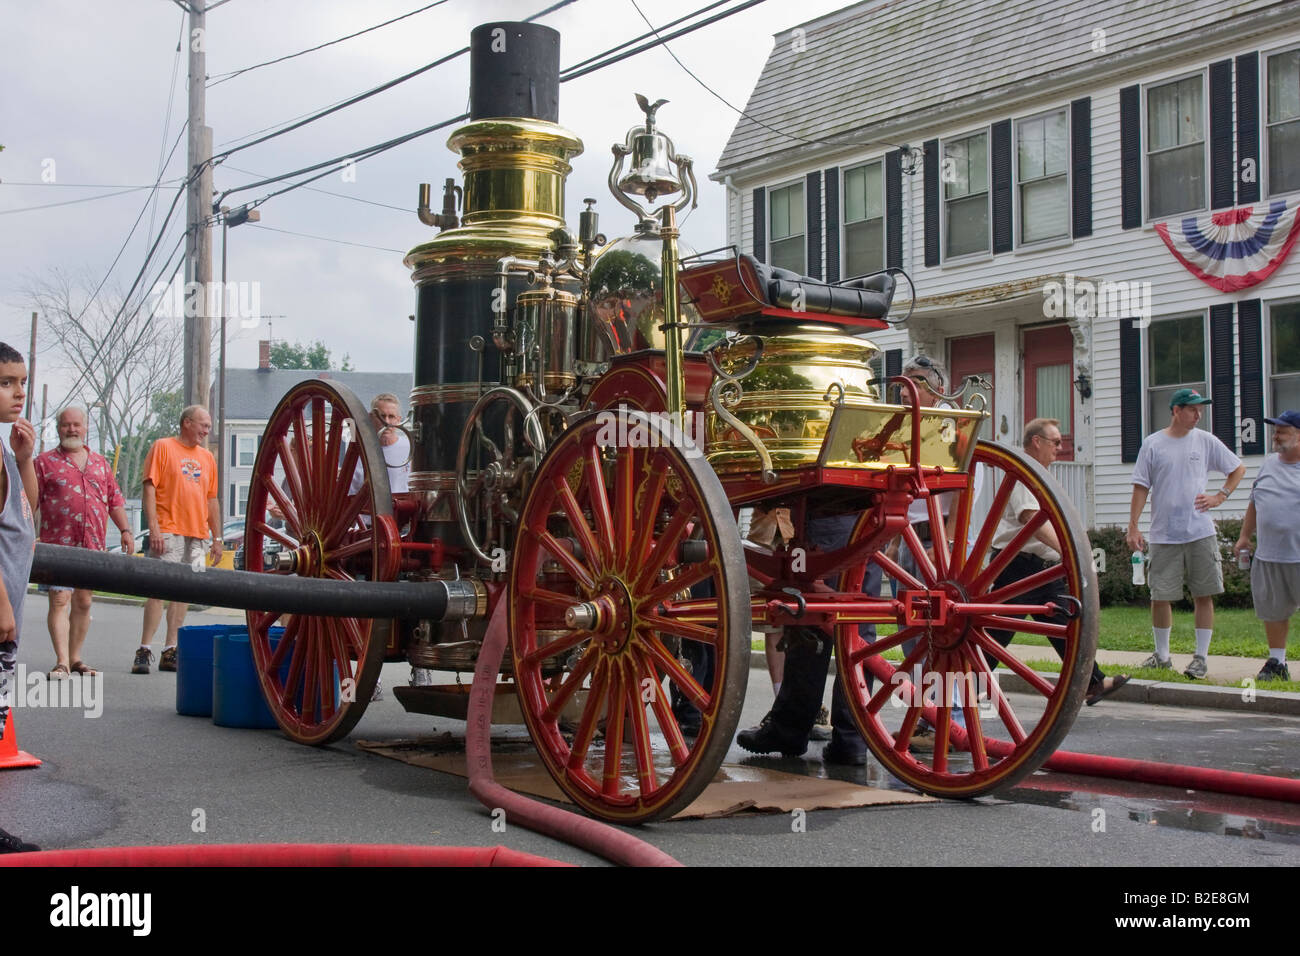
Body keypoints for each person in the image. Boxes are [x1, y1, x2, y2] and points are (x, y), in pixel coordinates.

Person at [986, 418, 1129, 704]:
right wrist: (1069, 548)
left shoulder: (1043, 476)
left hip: (1043, 569)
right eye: (1056, 442)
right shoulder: (1023, 473)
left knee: (1066, 626)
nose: (1061, 448)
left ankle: (1092, 682)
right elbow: (1030, 519)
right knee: (997, 635)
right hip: (1018, 566)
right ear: (1036, 442)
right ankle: (957, 687)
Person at [736, 512, 884, 765]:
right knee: (859, 621)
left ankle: (789, 729)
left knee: (811, 620)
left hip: (831, 513)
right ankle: (852, 739)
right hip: (873, 520)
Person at [1126, 389, 1246, 679]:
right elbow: (1141, 486)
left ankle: (1200, 658)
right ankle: (1162, 655)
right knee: (1160, 596)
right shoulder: (1153, 444)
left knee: (1203, 594)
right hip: (1164, 533)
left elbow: (1237, 468)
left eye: (1200, 410)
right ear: (1176, 410)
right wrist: (1133, 525)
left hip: (1200, 532)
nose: (1198, 415)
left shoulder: (1205, 441)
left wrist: (1220, 496)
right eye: (1193, 409)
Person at [34, 406, 133, 678]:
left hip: (92, 544)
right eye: (66, 425)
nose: (72, 429)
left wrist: (125, 530)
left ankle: (76, 658)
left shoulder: (100, 463)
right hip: (57, 545)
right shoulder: (43, 463)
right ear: (58, 428)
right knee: (59, 599)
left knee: (84, 602)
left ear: (86, 427)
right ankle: (62, 661)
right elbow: (30, 500)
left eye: (77, 424)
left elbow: (114, 500)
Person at [134, 406, 221, 674]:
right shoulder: (163, 447)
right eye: (203, 425)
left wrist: (216, 537)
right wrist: (154, 528)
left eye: (209, 426)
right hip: (169, 530)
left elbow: (212, 499)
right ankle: (144, 648)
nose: (207, 430)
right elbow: (149, 488)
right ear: (187, 423)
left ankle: (170, 649)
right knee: (159, 589)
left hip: (197, 535)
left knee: (184, 592)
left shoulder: (207, 458)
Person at [0, 342, 40, 852]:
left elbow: (25, 514)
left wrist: (26, 459)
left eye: (22, 383)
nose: (18, 393)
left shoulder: (6, 452)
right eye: (6, 383)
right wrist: (1, 602)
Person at [1233, 410, 1300, 681]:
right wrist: (1244, 536)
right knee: (1273, 610)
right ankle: (1277, 662)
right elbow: (1254, 501)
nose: (1276, 435)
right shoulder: (1269, 463)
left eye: (1283, 431)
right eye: (1276, 430)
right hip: (1270, 555)